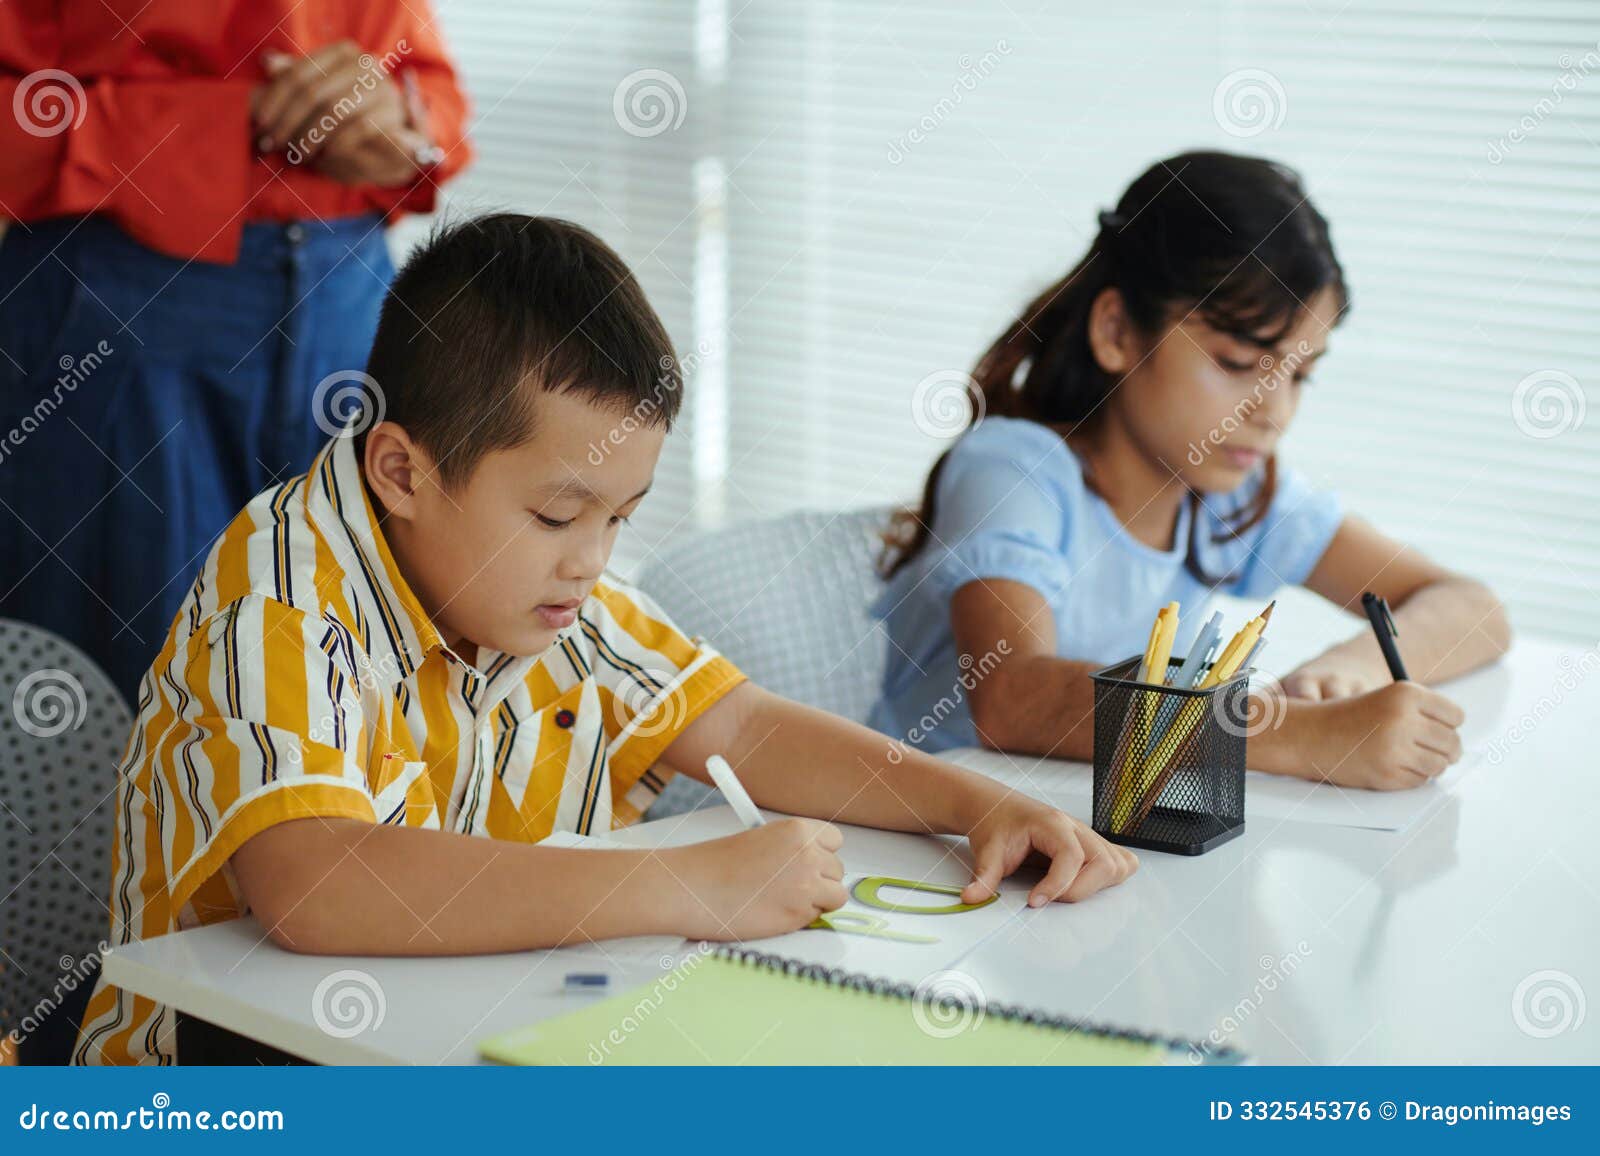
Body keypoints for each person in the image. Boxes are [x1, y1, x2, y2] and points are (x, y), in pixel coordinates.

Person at [73, 214, 1138, 1065]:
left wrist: (977, 802)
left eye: (619, 518)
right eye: (556, 515)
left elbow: (742, 724)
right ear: (400, 471)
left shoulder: (541, 592)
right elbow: (315, 882)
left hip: (463, 1039)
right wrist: (692, 885)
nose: (590, 559)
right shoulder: (284, 588)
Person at [871, 152, 1510, 791]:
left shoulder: (1230, 497)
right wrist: (1304, 732)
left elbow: (1474, 609)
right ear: (1118, 330)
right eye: (1237, 363)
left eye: (1300, 374)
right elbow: (1012, 700)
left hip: (1082, 831)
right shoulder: (1013, 471)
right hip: (923, 838)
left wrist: (1350, 673)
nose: (1276, 413)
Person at [0, 3, 471, 705]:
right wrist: (229, 125)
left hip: (353, 304)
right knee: (122, 717)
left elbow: (422, 77)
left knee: (363, 694)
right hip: (122, 313)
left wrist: (406, 121)